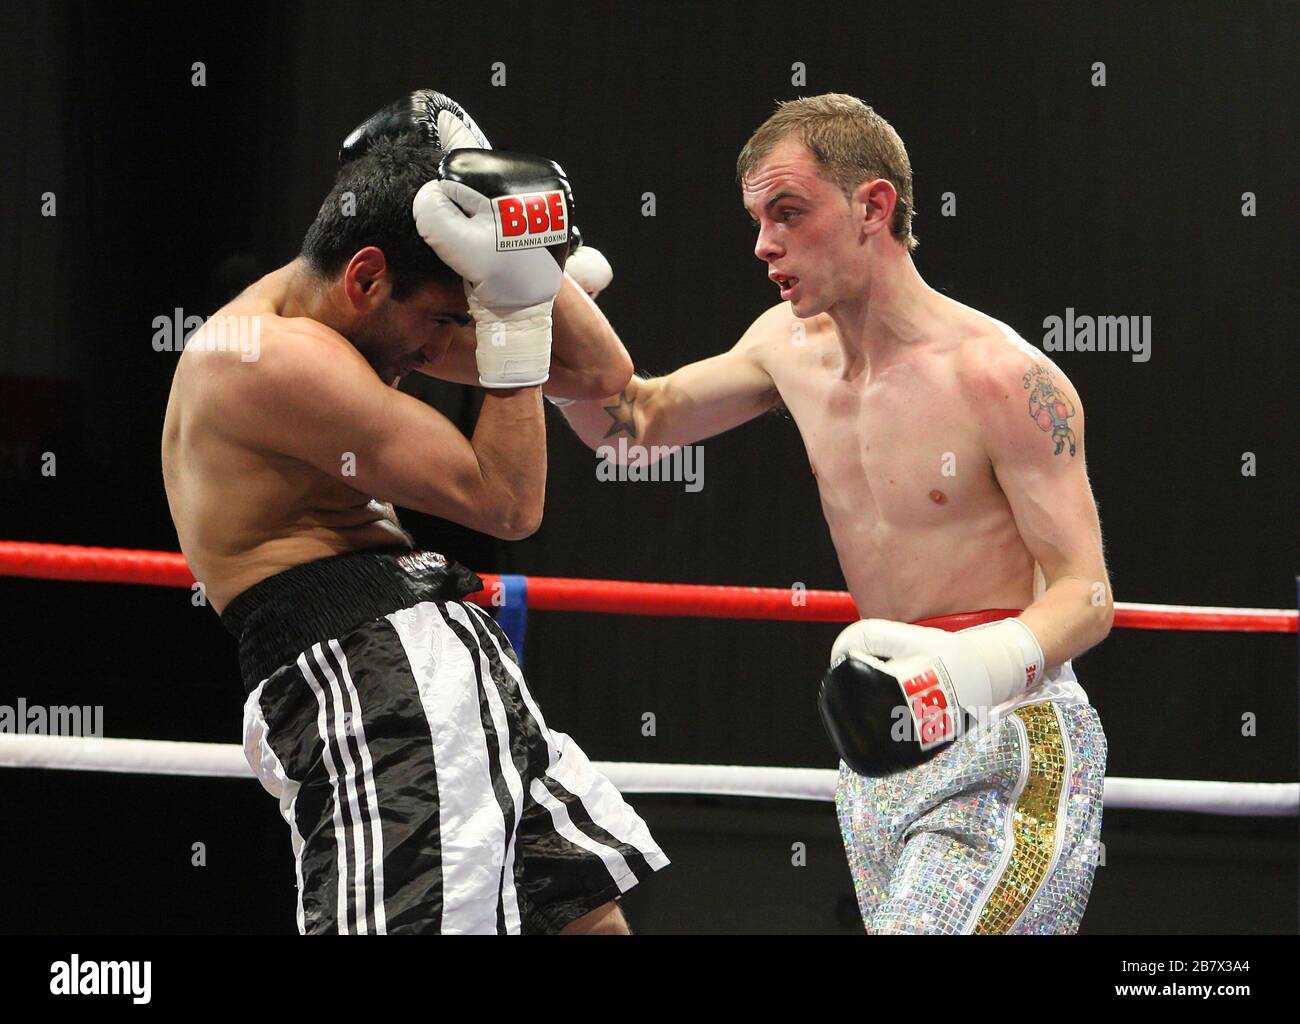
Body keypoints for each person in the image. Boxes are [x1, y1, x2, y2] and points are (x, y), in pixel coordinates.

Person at [552, 93, 1109, 934]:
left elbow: (1086, 595)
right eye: (757, 220)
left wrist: (963, 673)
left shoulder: (1001, 377)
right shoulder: (785, 345)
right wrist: (536, 307)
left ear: (872, 207)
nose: (764, 245)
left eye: (788, 213)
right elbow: (629, 425)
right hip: (879, 746)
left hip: (1010, 733)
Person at [162, 90, 667, 934]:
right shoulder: (273, 361)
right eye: (438, 321)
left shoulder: (351, 315)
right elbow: (508, 505)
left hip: (421, 660)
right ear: (365, 276)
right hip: (369, 675)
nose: (440, 349)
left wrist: (516, 232)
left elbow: (600, 375)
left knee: (583, 926)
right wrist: (512, 306)